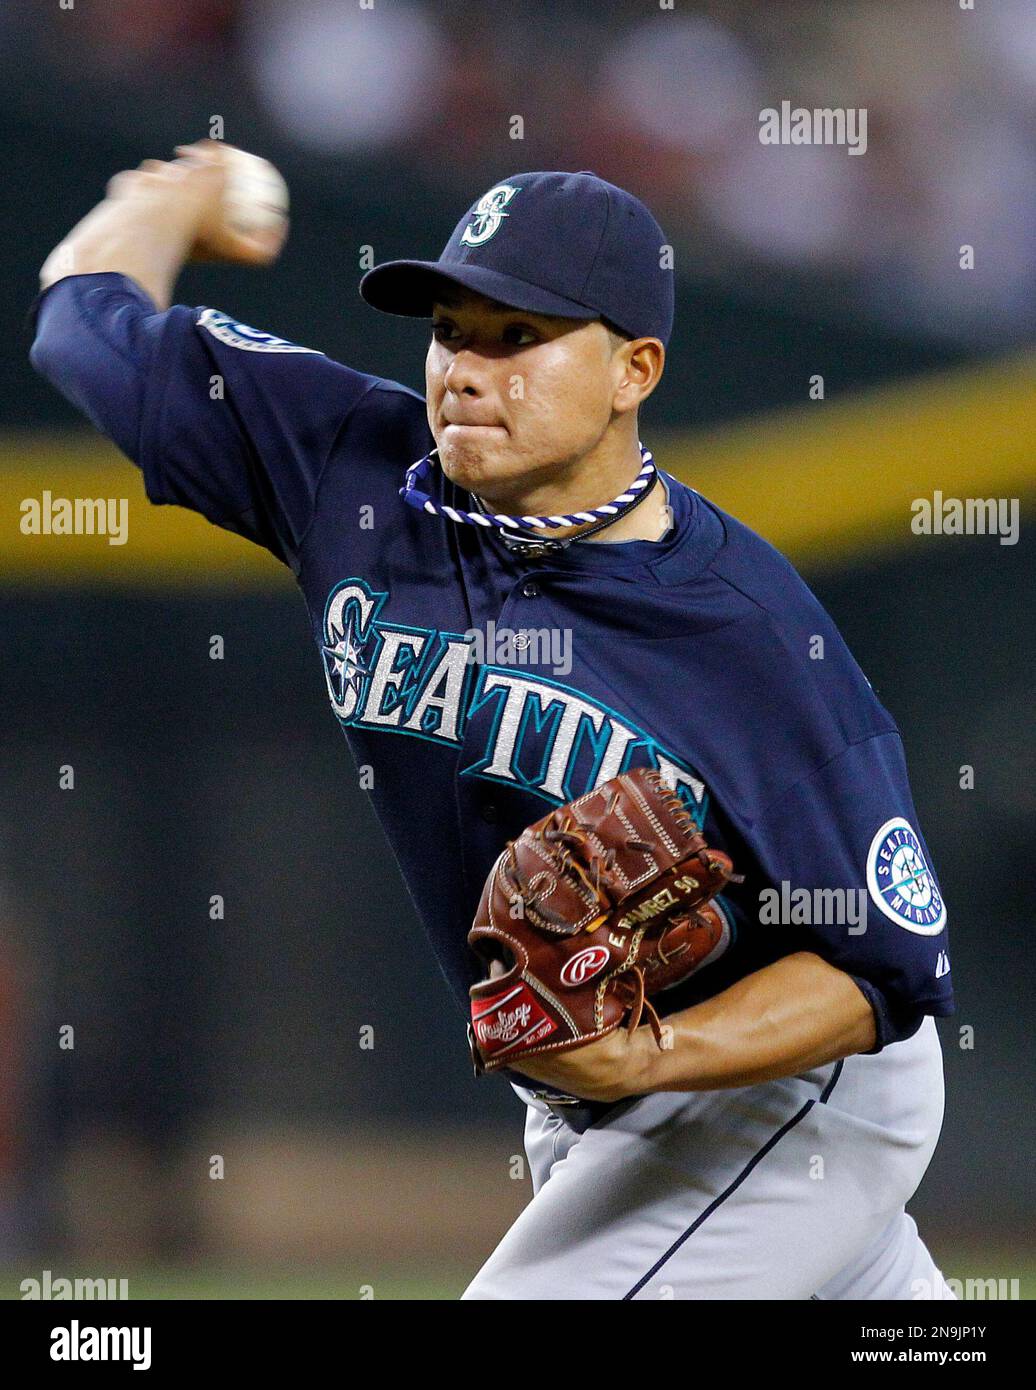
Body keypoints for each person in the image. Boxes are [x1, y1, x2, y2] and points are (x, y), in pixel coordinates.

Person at [29, 143, 956, 1300]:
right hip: (592, 1109)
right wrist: (158, 200)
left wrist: (649, 1053)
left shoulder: (748, 636)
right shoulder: (352, 469)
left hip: (780, 1096)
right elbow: (81, 325)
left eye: (518, 338)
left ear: (634, 370)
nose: (466, 370)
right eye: (450, 330)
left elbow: (889, 970)